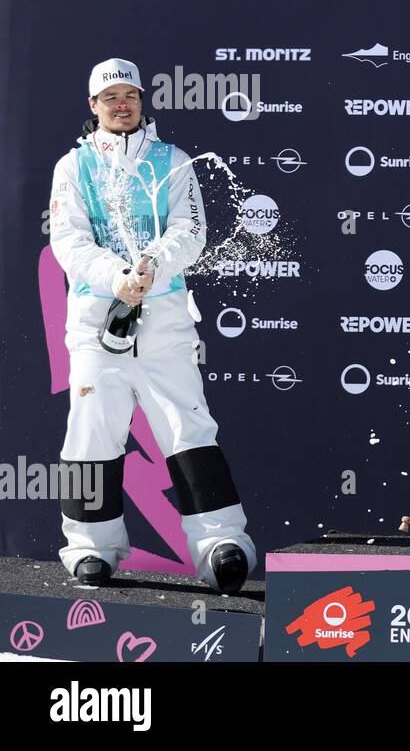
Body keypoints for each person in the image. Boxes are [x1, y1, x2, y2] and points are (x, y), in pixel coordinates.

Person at [48, 58, 257, 591]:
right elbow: (68, 240)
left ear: (142, 102)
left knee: (187, 426)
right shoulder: (74, 167)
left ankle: (220, 543)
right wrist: (119, 276)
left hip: (164, 321)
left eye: (131, 96)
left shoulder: (172, 160)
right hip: (98, 321)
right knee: (93, 429)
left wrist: (151, 266)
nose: (122, 105)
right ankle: (91, 546)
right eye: (110, 97)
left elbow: (191, 230)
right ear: (93, 106)